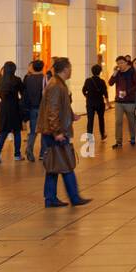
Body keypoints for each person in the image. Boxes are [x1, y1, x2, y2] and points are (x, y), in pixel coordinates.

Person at [40, 57, 90, 208]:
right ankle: (74, 197)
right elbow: (53, 110)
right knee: (66, 164)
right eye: (70, 68)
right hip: (55, 132)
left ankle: (50, 198)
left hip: (54, 130)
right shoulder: (56, 85)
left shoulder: (58, 84)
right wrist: (57, 132)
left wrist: (70, 114)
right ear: (66, 69)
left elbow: (59, 106)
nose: (71, 71)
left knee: (54, 166)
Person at [0, 62, 24, 162]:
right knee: (17, 132)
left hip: (3, 108)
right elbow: (23, 93)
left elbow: (0, 94)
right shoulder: (17, 80)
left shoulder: (0, 80)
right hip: (14, 108)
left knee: (4, 131)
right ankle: (17, 154)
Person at [109, 55, 136, 148]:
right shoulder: (117, 73)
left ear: (126, 63)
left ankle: (133, 137)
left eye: (122, 63)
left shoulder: (132, 72)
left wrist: (127, 92)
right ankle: (118, 141)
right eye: (118, 63)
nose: (120, 65)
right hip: (118, 101)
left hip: (129, 101)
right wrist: (114, 74)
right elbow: (110, 83)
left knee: (131, 121)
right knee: (118, 121)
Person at [22, 60, 47, 162]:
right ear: (42, 67)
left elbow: (25, 94)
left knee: (33, 131)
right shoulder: (45, 78)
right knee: (44, 131)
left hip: (32, 108)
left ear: (33, 67)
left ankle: (29, 148)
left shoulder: (27, 79)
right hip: (43, 108)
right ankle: (42, 153)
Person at [83, 64, 108, 140]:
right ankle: (102, 134)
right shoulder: (102, 81)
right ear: (100, 72)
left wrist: (87, 96)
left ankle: (89, 137)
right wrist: (108, 103)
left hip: (90, 103)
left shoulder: (88, 80)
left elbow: (83, 90)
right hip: (100, 103)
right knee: (101, 119)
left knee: (90, 120)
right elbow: (105, 93)